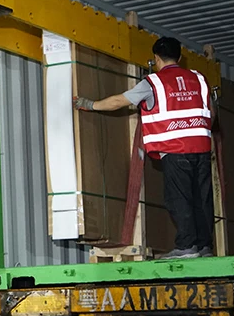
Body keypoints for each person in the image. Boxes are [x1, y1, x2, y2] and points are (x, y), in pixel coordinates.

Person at [74, 37, 213, 259]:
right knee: (201, 198)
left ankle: (186, 247)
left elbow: (119, 101)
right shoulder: (199, 79)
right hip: (202, 147)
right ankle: (204, 247)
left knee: (180, 198)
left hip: (175, 149)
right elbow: (210, 113)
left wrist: (90, 104)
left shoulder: (154, 83)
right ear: (179, 57)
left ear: (157, 58)